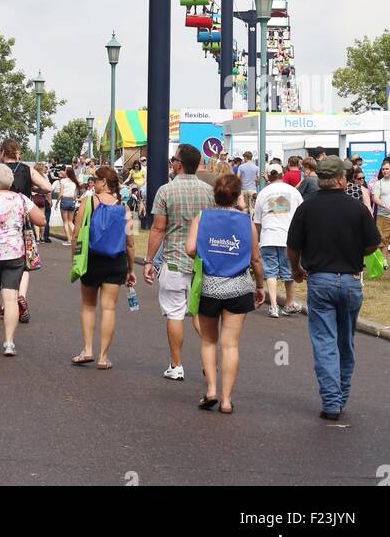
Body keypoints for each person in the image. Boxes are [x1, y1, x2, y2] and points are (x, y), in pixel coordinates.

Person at [286, 156, 381, 421]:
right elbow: (374, 243)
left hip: (320, 279)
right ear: (341, 179)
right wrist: (357, 252)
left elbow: (292, 246)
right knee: (345, 341)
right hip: (350, 279)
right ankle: (341, 396)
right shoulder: (357, 208)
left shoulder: (307, 207)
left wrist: (296, 269)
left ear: (320, 179)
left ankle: (331, 402)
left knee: (325, 341)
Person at [186, 174, 265, 413]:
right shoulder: (246, 221)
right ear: (237, 196)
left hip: (209, 286)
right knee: (230, 345)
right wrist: (259, 285)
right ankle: (227, 400)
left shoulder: (202, 217)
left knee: (209, 341)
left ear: (215, 195)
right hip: (238, 287)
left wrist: (207, 253)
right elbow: (255, 258)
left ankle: (211, 390)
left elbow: (190, 249)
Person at [143, 144, 214, 380]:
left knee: (175, 313)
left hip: (174, 260)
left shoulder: (166, 191)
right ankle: (210, 359)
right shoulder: (209, 192)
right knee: (199, 313)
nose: (172, 163)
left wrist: (149, 260)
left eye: (174, 159)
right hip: (202, 262)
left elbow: (158, 228)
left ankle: (176, 365)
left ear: (178, 164)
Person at [71, 165, 136, 370]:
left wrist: (74, 259)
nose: (93, 183)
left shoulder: (89, 202)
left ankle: (87, 349)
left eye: (95, 180)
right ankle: (103, 357)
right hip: (116, 262)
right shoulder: (125, 208)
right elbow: (130, 242)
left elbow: (76, 234)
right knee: (109, 308)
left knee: (88, 305)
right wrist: (131, 269)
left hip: (92, 260)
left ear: (103, 182)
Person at [0, 164, 44, 356]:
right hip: (14, 253)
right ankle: (9, 342)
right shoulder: (20, 199)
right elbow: (41, 220)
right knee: (11, 298)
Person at [0, 140, 51, 322]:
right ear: (17, 153)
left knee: (2, 262)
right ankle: (21, 296)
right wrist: (32, 187)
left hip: (1, 222)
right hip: (23, 220)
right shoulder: (27, 170)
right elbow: (48, 187)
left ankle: (5, 304)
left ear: (3, 153)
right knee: (24, 262)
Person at [253, 165, 304, 318]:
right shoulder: (293, 191)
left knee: (271, 272)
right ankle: (289, 303)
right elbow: (302, 214)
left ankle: (274, 306)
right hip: (288, 237)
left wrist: (258, 238)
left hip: (268, 236)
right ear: (283, 174)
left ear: (268, 176)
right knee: (289, 271)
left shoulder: (263, 193)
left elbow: (257, 221)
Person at [57, 165, 80, 246]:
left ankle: (69, 240)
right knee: (70, 221)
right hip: (72, 201)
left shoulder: (63, 181)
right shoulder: (74, 182)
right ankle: (77, 238)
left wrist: (57, 202)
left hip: (65, 200)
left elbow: (61, 193)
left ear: (66, 172)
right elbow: (75, 194)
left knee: (65, 222)